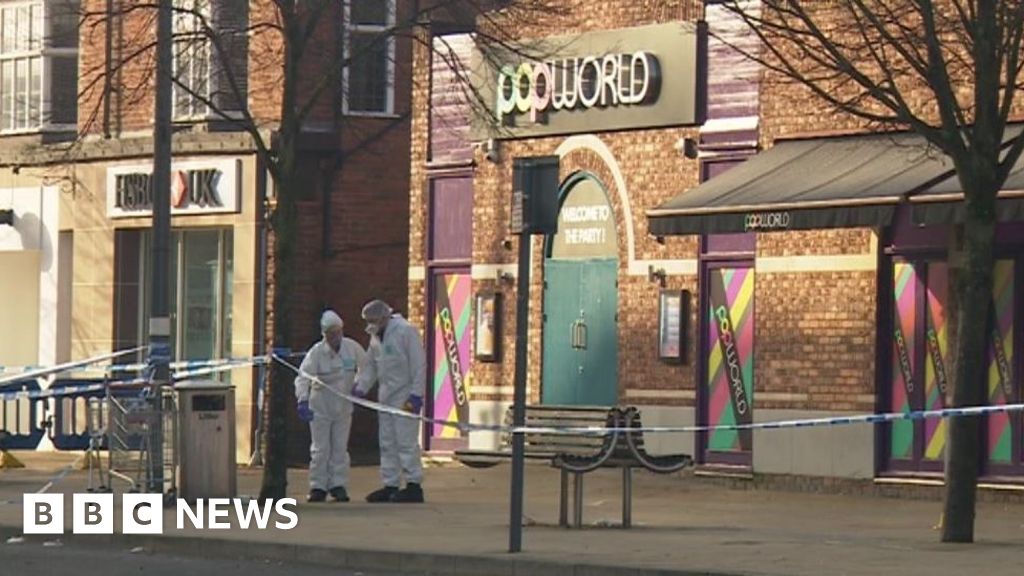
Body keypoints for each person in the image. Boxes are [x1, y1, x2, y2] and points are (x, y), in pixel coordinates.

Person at [353, 299, 426, 503]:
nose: (370, 324)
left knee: (405, 441)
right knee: (387, 442)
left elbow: (419, 364)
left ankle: (413, 484)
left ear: (384, 317)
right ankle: (390, 483)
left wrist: (416, 394)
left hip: (405, 394)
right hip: (386, 396)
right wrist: (360, 387)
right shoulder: (376, 337)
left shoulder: (405, 332)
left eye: (373, 320)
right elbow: (371, 366)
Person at [295, 310, 366, 503]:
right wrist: (302, 400)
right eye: (330, 333)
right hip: (320, 407)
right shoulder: (317, 352)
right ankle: (317, 486)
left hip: (343, 407)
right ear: (324, 334)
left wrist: (360, 387)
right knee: (320, 448)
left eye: (337, 332)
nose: (334, 337)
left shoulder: (352, 348)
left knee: (340, 448)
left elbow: (367, 368)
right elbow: (303, 377)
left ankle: (338, 485)